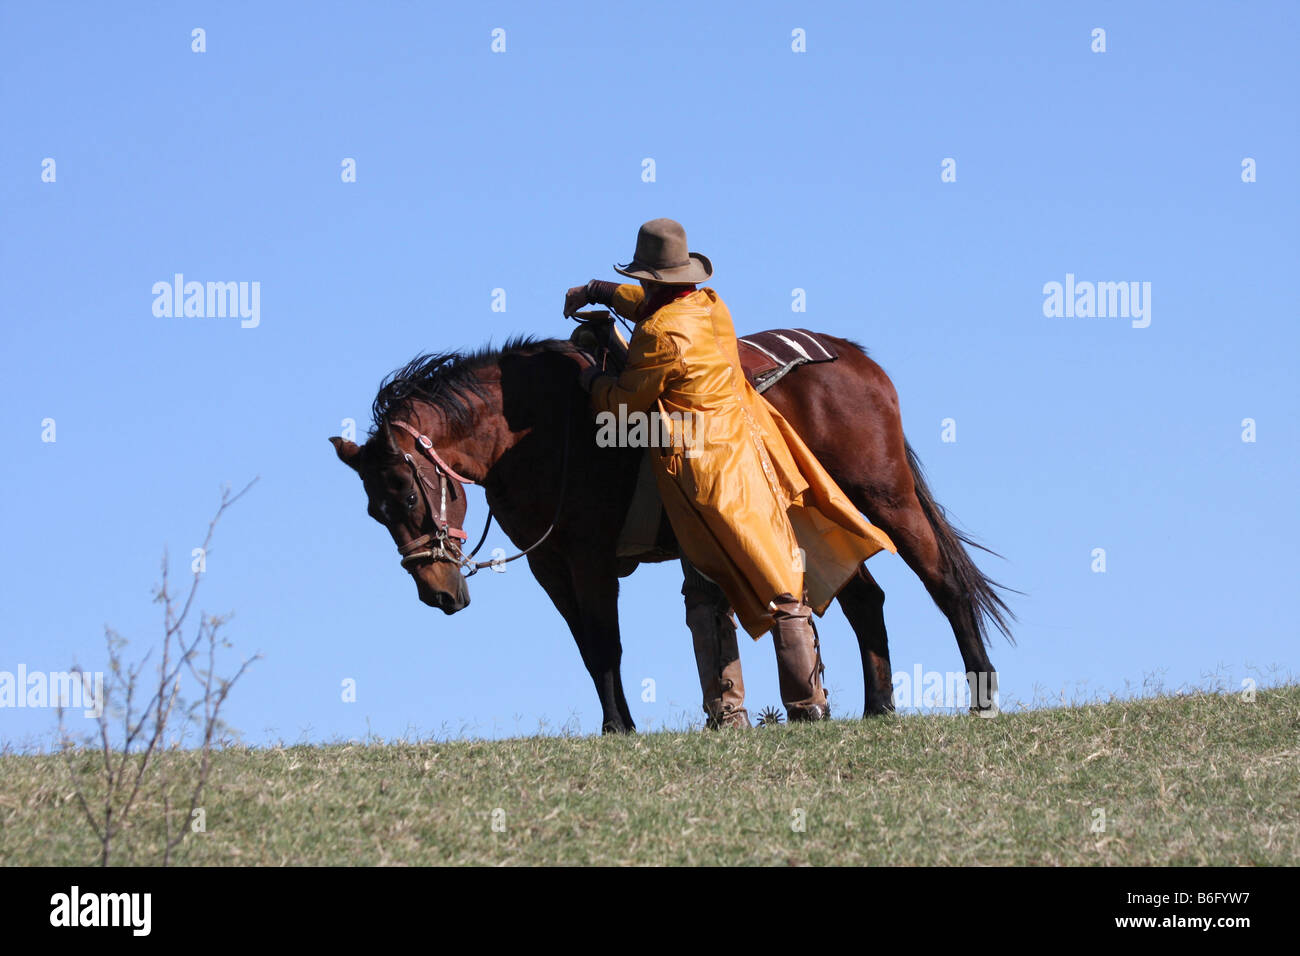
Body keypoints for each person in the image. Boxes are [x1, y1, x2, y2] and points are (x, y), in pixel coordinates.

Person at [564, 218, 895, 723]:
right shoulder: (709, 305)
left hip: (701, 479)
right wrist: (602, 292)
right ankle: (808, 707)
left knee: (709, 591)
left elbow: (628, 407)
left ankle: (733, 713)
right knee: (782, 580)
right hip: (751, 456)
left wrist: (591, 380)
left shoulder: (657, 335)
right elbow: (649, 306)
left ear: (652, 279)